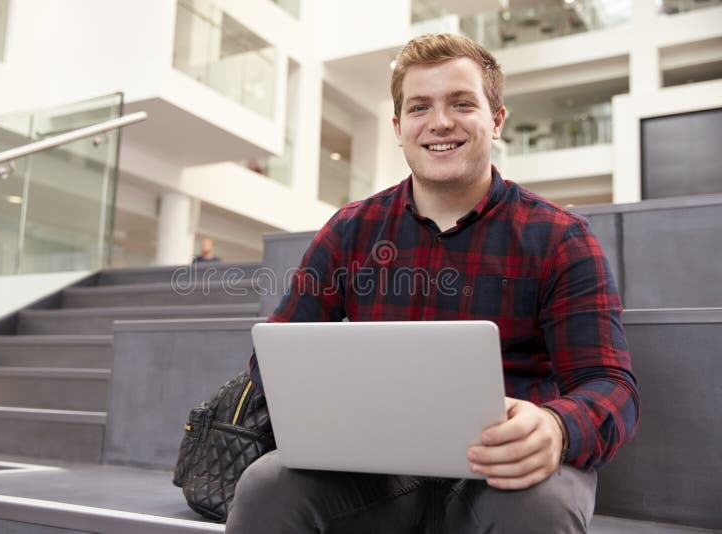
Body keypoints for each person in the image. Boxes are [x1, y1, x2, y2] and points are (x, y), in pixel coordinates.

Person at [226, 33, 639, 533]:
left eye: (461, 103)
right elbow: (274, 362)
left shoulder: (559, 238)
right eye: (420, 107)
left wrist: (556, 427)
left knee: (542, 509)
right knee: (266, 489)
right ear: (399, 129)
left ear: (497, 119)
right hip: (376, 464)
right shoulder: (350, 230)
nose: (440, 122)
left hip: (505, 465)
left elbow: (610, 385)